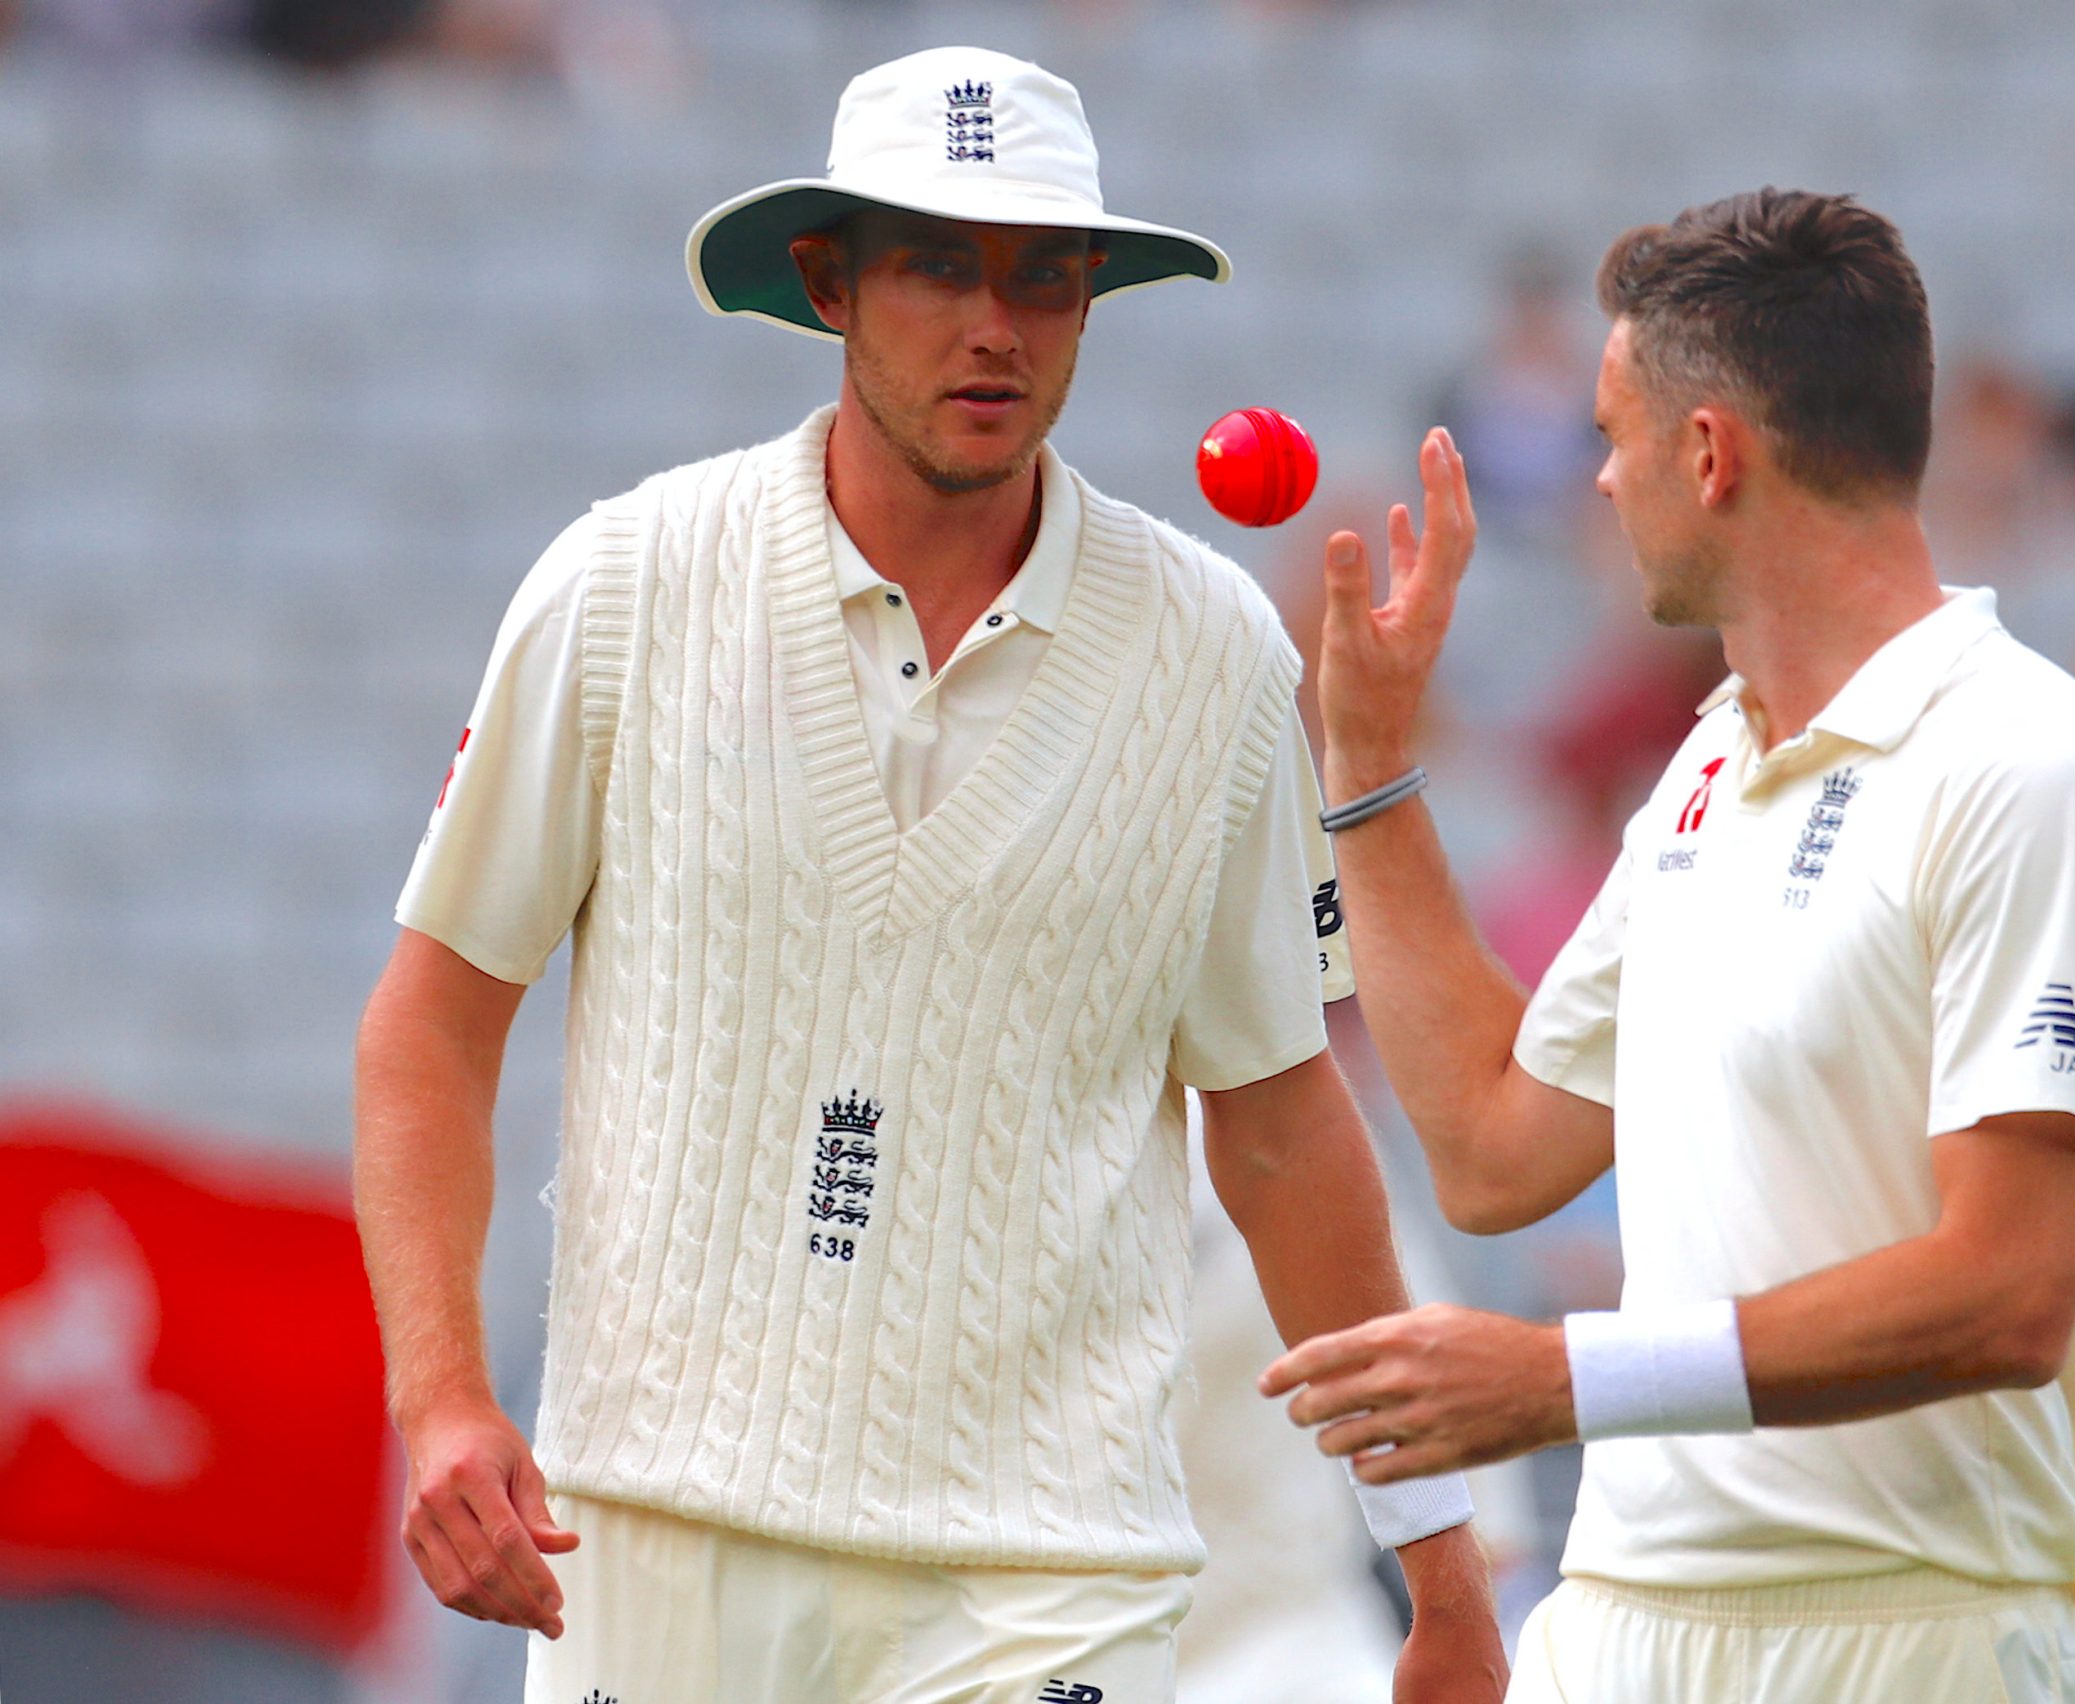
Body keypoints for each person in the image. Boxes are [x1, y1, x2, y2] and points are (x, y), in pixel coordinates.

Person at [350, 46, 1503, 1704]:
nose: (997, 326)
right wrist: (445, 1398)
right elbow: (432, 1026)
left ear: (1097, 299)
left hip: (1044, 1578)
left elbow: (1283, 1129)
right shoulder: (624, 585)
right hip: (656, 1556)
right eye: (937, 265)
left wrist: (1442, 1572)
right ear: (827, 282)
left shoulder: (1214, 652)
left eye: (1046, 276)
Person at [1260, 189, 2075, 1701]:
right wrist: (1367, 767)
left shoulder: (2032, 771)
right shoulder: (1710, 766)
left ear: (1710, 457)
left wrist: (1567, 1381)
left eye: (1615, 435)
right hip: (1620, 1632)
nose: (1601, 480)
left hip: (1921, 1644)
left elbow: (2010, 1292)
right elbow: (1497, 1154)